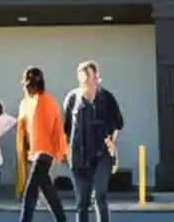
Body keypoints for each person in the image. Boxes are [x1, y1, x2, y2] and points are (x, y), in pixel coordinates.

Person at [63, 61, 124, 222]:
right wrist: (66, 151)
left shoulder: (107, 98)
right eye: (82, 81)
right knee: (82, 203)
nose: (85, 85)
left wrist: (112, 142)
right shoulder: (72, 99)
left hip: (102, 155)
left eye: (88, 80)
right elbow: (66, 128)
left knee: (99, 196)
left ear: (96, 78)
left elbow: (118, 124)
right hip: (79, 156)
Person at [17, 66, 69, 222]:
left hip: (45, 153)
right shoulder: (27, 102)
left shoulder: (46, 102)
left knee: (30, 192)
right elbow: (24, 129)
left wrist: (59, 151)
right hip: (37, 153)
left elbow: (56, 128)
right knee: (48, 191)